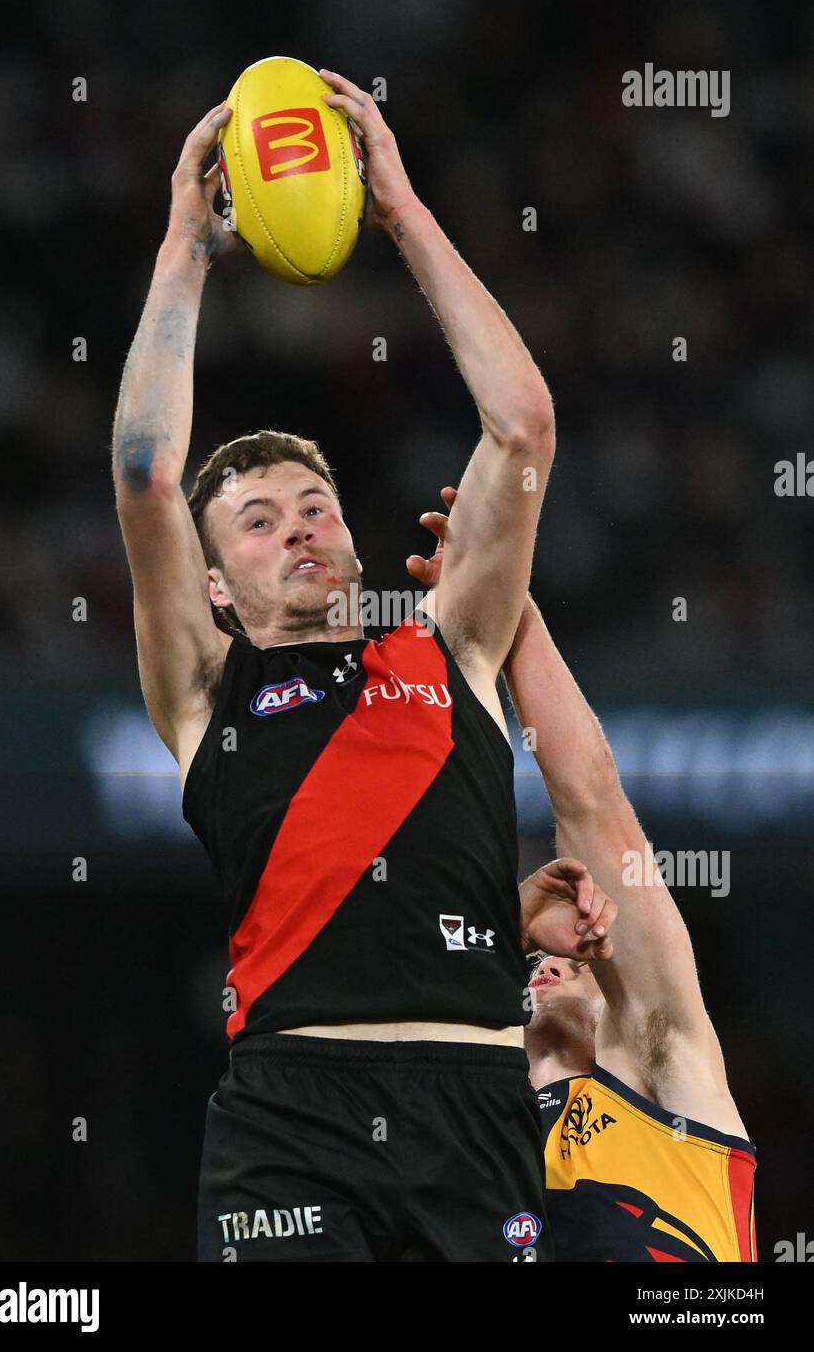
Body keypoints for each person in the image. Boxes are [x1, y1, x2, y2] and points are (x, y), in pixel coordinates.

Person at [112, 72, 569, 1262]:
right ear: (215, 587)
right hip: (288, 1111)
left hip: (475, 1110)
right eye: (257, 521)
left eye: (311, 505)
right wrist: (184, 247)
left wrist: (402, 212)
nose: (298, 526)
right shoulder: (204, 694)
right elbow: (149, 476)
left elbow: (520, 425)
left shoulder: (453, 644)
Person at [411, 488, 757, 1263]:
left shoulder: (664, 1064)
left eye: (568, 960)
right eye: (534, 958)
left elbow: (592, 800)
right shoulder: (456, 1125)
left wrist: (507, 604)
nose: (549, 964)